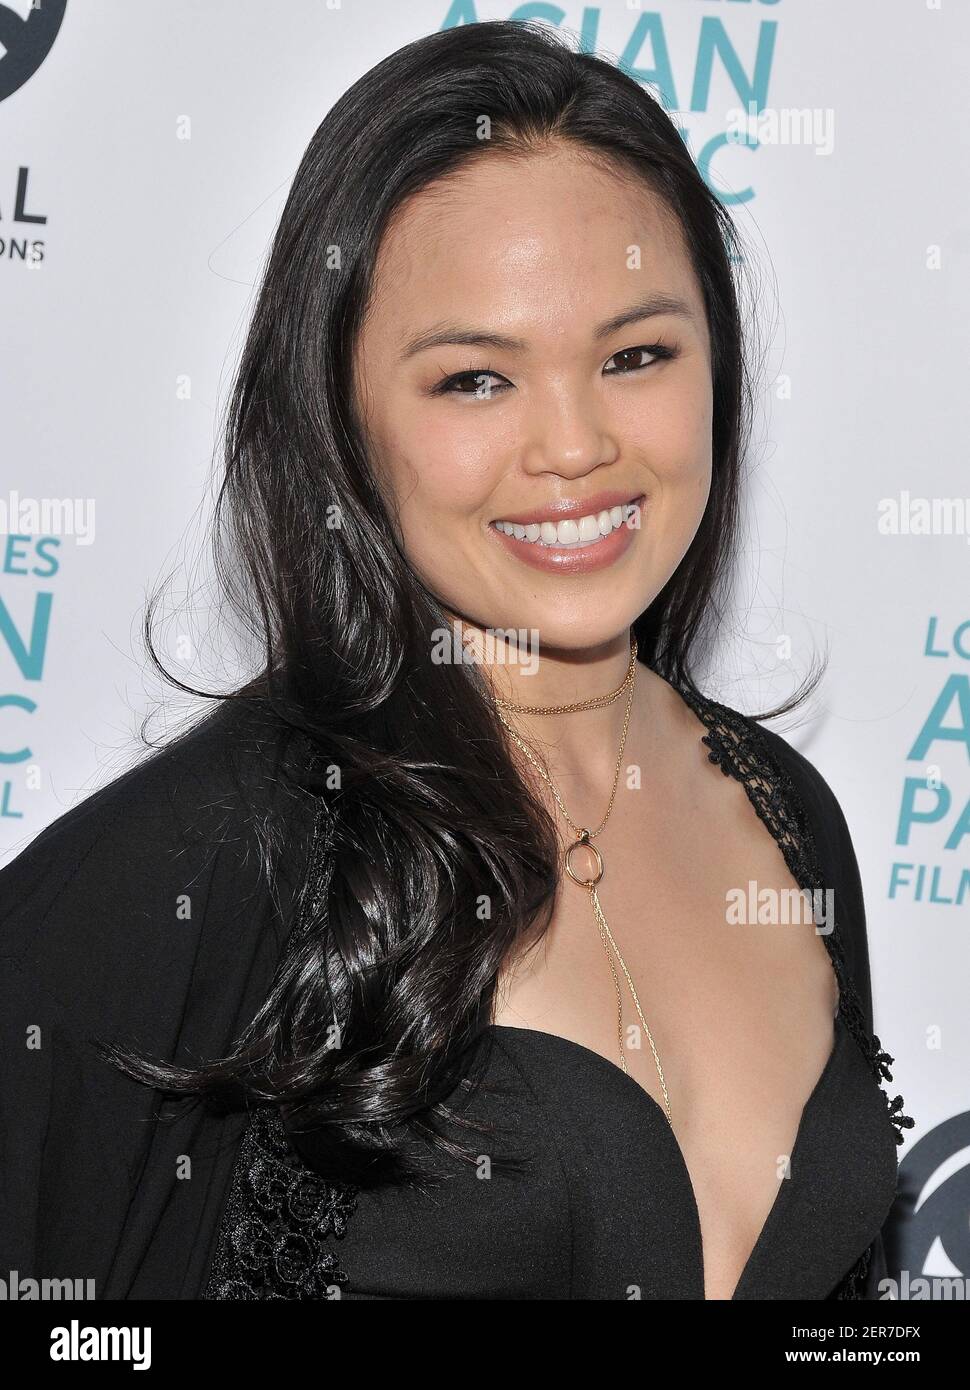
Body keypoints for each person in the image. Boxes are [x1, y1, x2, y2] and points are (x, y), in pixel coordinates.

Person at [0, 19, 911, 1301]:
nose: (575, 445)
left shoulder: (787, 819)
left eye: (635, 355)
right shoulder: (198, 867)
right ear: (341, 419)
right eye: (476, 380)